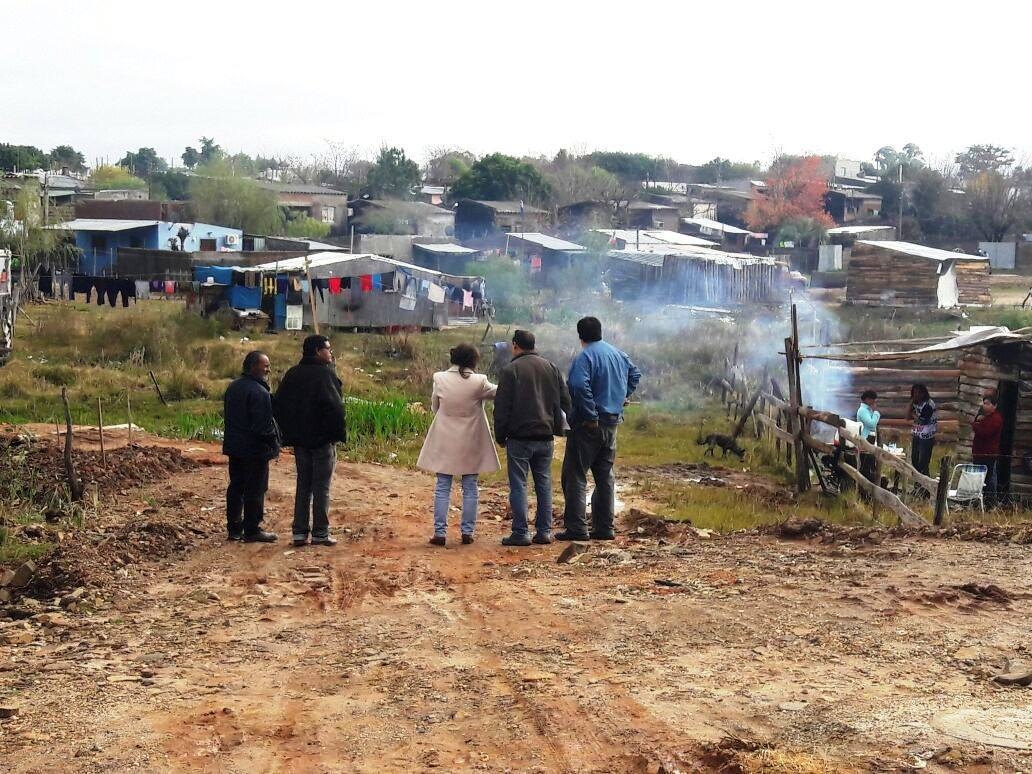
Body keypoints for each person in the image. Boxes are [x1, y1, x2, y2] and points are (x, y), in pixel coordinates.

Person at [559, 317, 642, 541]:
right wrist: (623, 395)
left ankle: (577, 528)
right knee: (605, 476)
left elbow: (577, 385)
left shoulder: (585, 357)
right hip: (612, 423)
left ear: (580, 335)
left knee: (575, 475)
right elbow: (635, 374)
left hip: (589, 425)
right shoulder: (617, 354)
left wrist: (589, 414)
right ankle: (605, 527)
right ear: (600, 332)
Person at [416, 344, 499, 546]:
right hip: (471, 439)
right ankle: (467, 532)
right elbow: (498, 392)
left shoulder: (440, 378)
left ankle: (440, 533)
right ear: (473, 361)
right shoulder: (479, 381)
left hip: (445, 437)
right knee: (470, 486)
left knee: (442, 486)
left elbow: (435, 407)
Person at [495, 330, 572, 546]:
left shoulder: (510, 370)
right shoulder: (551, 367)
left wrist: (500, 435)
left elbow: (502, 408)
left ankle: (520, 532)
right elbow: (566, 401)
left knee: (519, 484)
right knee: (544, 484)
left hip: (519, 437)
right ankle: (544, 532)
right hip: (546, 436)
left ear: (515, 345)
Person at [274, 335, 347, 547]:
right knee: (321, 487)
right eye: (328, 349)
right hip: (322, 441)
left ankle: (299, 532)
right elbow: (336, 409)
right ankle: (320, 533)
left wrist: (290, 433)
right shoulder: (325, 376)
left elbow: (279, 406)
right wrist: (336, 435)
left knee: (303, 485)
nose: (331, 353)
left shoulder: (292, 374)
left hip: (300, 441)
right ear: (317, 351)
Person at [222, 351, 280, 543]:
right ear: (253, 367)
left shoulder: (233, 387)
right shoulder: (260, 392)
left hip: (235, 446)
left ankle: (234, 528)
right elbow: (262, 427)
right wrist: (274, 442)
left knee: (236, 486)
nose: (268, 369)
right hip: (255, 450)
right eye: (265, 365)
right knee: (255, 489)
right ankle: (252, 529)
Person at [972, 394, 1004, 509]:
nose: (984, 406)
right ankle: (977, 501)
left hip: (988, 454)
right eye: (984, 403)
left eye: (987, 404)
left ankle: (990, 503)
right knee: (977, 478)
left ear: (994, 406)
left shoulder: (996, 418)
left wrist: (976, 425)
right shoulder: (983, 416)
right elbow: (977, 425)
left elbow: (985, 433)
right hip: (978, 452)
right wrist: (977, 422)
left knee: (988, 478)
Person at [908, 383, 938, 479]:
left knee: (923, 462)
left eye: (918, 393)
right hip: (917, 434)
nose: (916, 395)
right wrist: (910, 404)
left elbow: (923, 421)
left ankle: (925, 487)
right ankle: (918, 485)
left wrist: (913, 415)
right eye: (914, 392)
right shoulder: (915, 403)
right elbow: (907, 417)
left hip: (927, 436)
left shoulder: (928, 405)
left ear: (923, 394)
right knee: (914, 460)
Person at [856, 389, 881, 484]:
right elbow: (871, 424)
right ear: (866, 399)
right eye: (872, 399)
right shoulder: (863, 410)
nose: (874, 402)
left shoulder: (867, 410)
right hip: (865, 440)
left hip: (869, 440)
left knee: (870, 464)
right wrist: (876, 413)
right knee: (866, 465)